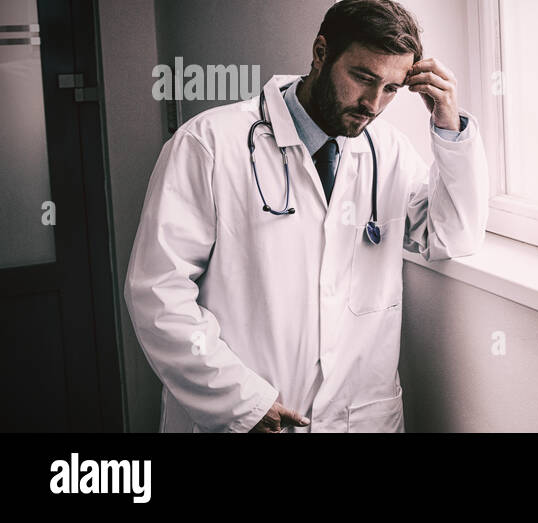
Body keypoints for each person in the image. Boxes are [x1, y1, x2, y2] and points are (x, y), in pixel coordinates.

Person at [123, 0, 487, 433]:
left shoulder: (386, 151)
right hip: (247, 416)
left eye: (391, 88)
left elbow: (454, 234)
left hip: (359, 418)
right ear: (320, 53)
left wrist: (449, 126)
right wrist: (241, 401)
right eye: (362, 77)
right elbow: (157, 293)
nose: (373, 103)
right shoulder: (209, 144)